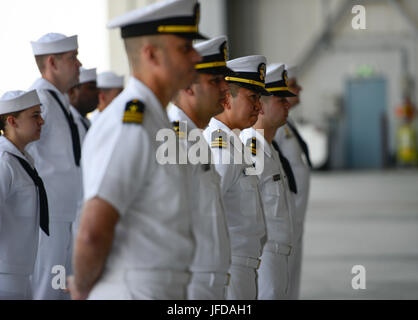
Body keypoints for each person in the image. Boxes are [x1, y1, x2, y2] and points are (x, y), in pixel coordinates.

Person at [68, 0, 205, 300]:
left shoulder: (155, 120)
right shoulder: (129, 123)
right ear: (151, 54)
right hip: (132, 290)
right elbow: (93, 231)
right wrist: (80, 289)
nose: (196, 56)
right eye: (185, 48)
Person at [168, 35, 231, 299]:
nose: (225, 89)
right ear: (188, 87)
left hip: (209, 276)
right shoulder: (173, 138)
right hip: (192, 281)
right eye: (215, 81)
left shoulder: (195, 136)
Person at [203, 55, 268, 300]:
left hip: (242, 265)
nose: (259, 107)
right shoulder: (220, 148)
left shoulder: (233, 142)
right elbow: (206, 213)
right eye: (253, 98)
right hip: (231, 268)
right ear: (227, 98)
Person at [27, 33, 82, 300]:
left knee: (63, 290)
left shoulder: (60, 102)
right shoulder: (39, 102)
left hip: (68, 213)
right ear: (52, 62)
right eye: (72, 58)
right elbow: (21, 150)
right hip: (51, 217)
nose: (79, 64)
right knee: (47, 290)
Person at [241, 63, 297, 299]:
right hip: (264, 258)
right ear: (260, 105)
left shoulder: (269, 149)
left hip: (279, 254)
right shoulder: (249, 150)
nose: (287, 104)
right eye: (279, 99)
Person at [0, 90, 48, 299]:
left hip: (21, 271)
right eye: (34, 115)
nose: (42, 121)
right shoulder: (4, 162)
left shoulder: (22, 160)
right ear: (12, 121)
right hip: (5, 273)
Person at [274, 65, 311, 299]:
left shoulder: (287, 123)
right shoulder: (273, 127)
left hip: (295, 213)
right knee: (279, 278)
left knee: (291, 272)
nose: (299, 89)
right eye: (294, 85)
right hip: (283, 214)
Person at [68, 67, 99, 140]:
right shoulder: (68, 121)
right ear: (72, 92)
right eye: (92, 88)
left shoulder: (85, 121)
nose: (98, 93)